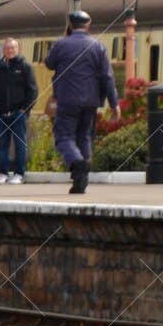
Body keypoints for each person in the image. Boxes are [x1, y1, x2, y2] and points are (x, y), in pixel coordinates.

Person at [44, 10, 120, 194]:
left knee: (63, 136)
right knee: (84, 136)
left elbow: (49, 63)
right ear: (89, 24)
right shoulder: (98, 46)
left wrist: (65, 38)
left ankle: (77, 163)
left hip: (67, 99)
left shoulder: (61, 44)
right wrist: (114, 104)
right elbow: (107, 77)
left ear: (70, 25)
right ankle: (81, 180)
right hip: (91, 101)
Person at [0, 38, 39, 183]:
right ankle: (3, 173)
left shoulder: (25, 67)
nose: (10, 50)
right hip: (1, 113)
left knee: (20, 144)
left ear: (18, 49)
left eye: (12, 48)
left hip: (18, 113)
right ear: (3, 50)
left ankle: (19, 173)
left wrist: (25, 109)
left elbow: (33, 90)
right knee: (2, 145)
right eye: (7, 48)